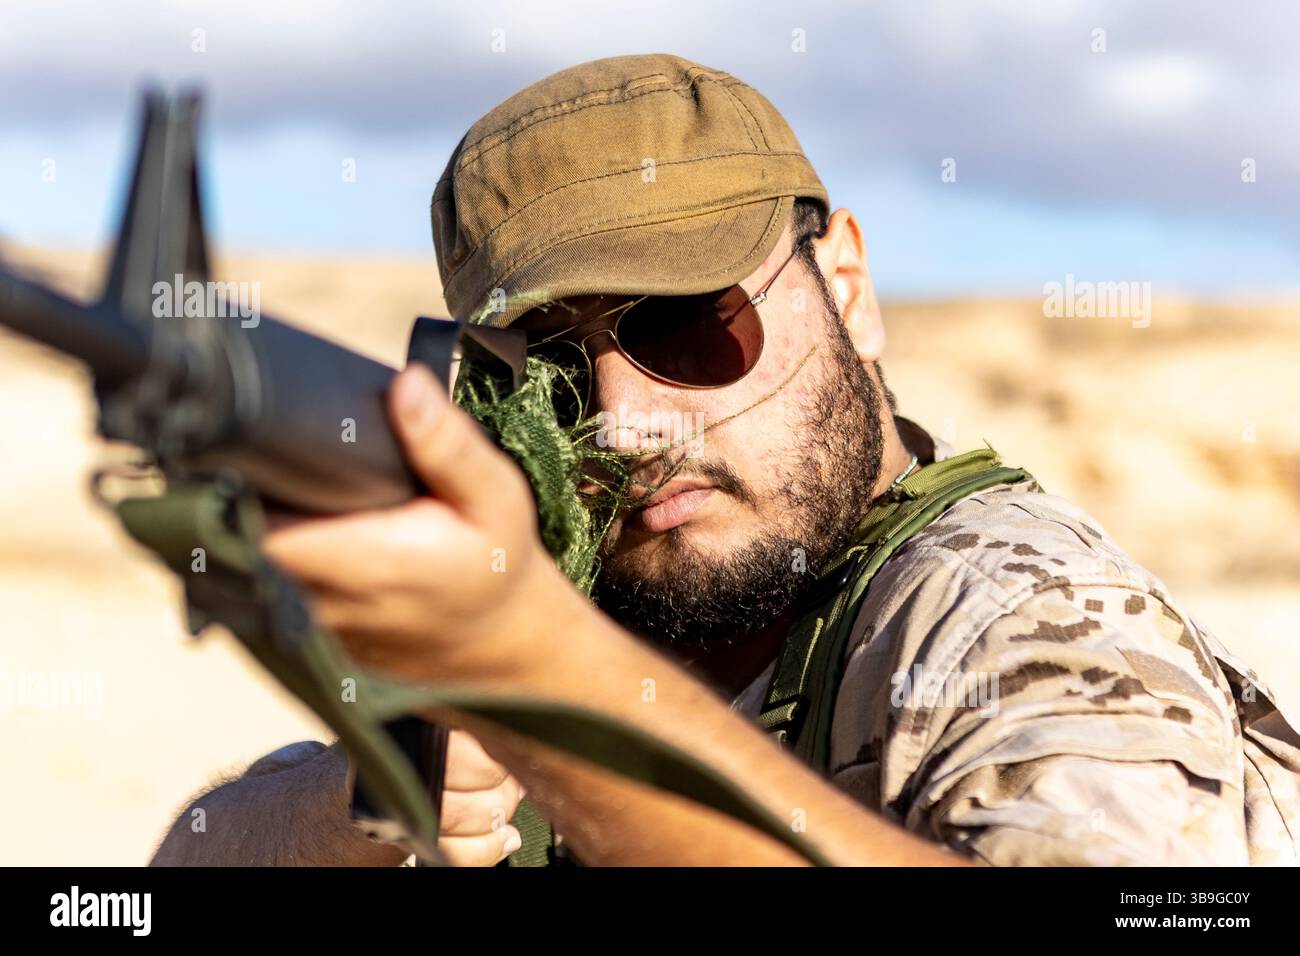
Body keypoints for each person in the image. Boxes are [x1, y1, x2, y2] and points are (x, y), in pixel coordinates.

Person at [152, 53, 1300, 867]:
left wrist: (542, 671)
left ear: (845, 286)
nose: (622, 422)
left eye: (686, 330)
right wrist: (366, 809)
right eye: (550, 368)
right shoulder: (598, 591)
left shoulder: (1013, 611)